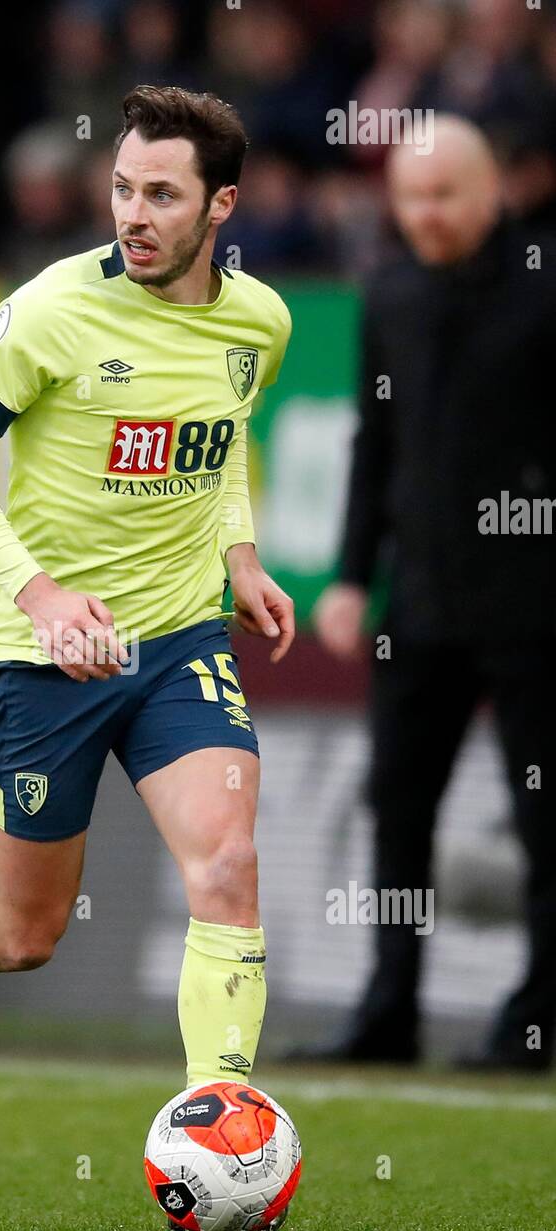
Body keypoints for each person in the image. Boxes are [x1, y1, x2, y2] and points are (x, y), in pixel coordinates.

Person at [0, 87, 294, 1122]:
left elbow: (219, 443)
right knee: (21, 935)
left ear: (221, 206)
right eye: (122, 187)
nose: (132, 212)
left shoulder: (260, 321)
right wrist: (39, 597)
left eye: (161, 194)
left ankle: (221, 1124)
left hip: (176, 640)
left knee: (227, 860)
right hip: (45, 657)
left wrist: (242, 557)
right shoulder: (49, 311)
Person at [305, 116, 556, 1072]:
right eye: (409, 198)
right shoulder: (392, 290)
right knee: (397, 811)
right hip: (418, 604)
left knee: (542, 819)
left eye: (443, 195)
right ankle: (385, 1014)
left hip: (534, 610)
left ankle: (534, 1022)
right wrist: (347, 577)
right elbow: (375, 445)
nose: (425, 215)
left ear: (494, 189)